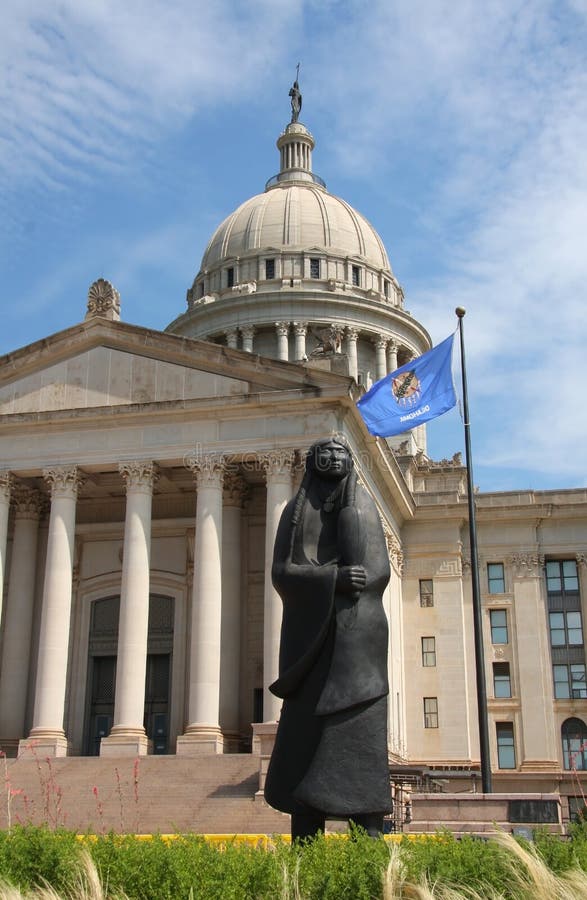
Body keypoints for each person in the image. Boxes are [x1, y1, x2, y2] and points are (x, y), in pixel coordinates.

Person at [264, 437, 392, 840]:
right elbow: (282, 573)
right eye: (326, 452)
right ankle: (306, 836)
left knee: (360, 744)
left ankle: (368, 843)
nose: (334, 458)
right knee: (305, 748)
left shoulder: (365, 509)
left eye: (341, 453)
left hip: (358, 650)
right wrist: (332, 578)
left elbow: (379, 572)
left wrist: (353, 582)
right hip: (310, 648)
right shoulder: (293, 514)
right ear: (312, 461)